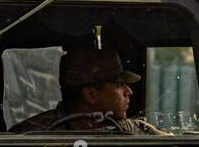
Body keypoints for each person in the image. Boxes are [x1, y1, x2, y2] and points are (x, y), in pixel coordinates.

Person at [10, 49, 165, 134]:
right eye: (119, 85)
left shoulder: (131, 130)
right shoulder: (33, 136)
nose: (129, 91)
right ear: (91, 95)